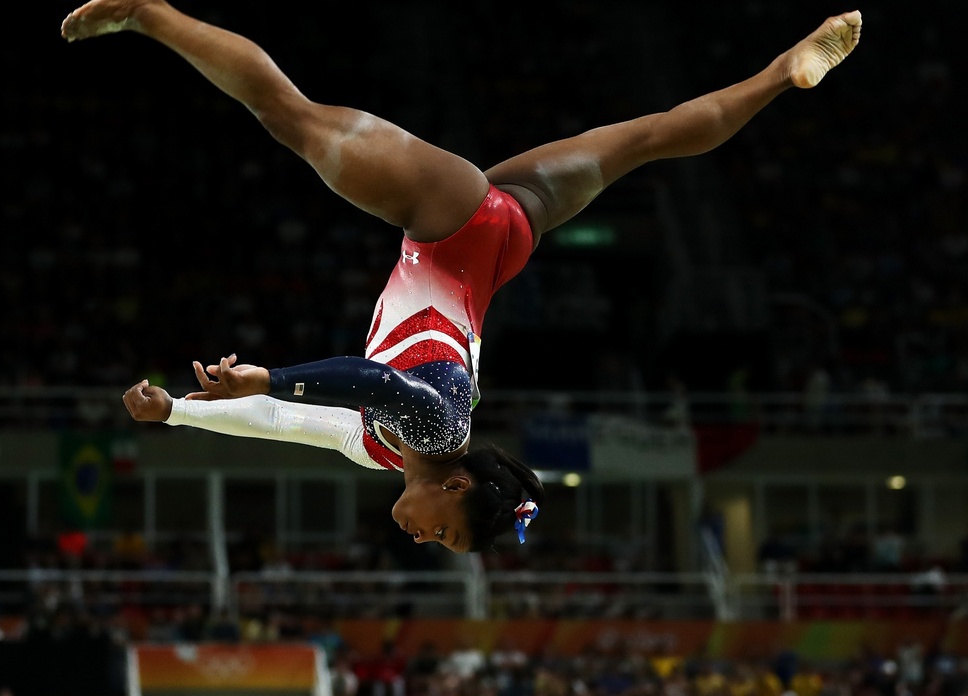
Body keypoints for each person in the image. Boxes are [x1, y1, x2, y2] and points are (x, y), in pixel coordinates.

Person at [76, 0, 864, 552]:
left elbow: (292, 424)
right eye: (445, 532)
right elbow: (370, 385)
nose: (423, 537)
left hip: (507, 239)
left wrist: (178, 414)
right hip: (451, 225)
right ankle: (149, 11)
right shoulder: (440, 432)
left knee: (648, 139)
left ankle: (780, 74)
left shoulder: (384, 455)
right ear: (454, 488)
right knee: (290, 115)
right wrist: (270, 376)